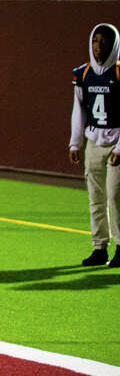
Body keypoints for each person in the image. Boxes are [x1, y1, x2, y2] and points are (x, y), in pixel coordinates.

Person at [69, 23, 120, 268]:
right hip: (93, 142)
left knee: (115, 195)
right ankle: (100, 247)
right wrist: (74, 143)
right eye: (95, 41)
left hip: (116, 144)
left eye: (104, 42)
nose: (99, 47)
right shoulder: (84, 74)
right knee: (95, 197)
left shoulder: (119, 73)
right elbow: (78, 110)